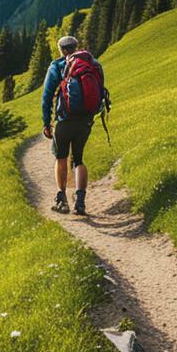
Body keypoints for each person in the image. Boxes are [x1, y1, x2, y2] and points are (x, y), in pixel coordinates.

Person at [41, 35, 108, 216]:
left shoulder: (57, 65)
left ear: (61, 49)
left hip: (64, 119)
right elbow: (100, 91)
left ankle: (62, 199)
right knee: (78, 159)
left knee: (61, 157)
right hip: (85, 119)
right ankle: (80, 202)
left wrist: (46, 122)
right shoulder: (93, 64)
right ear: (76, 47)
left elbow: (47, 96)